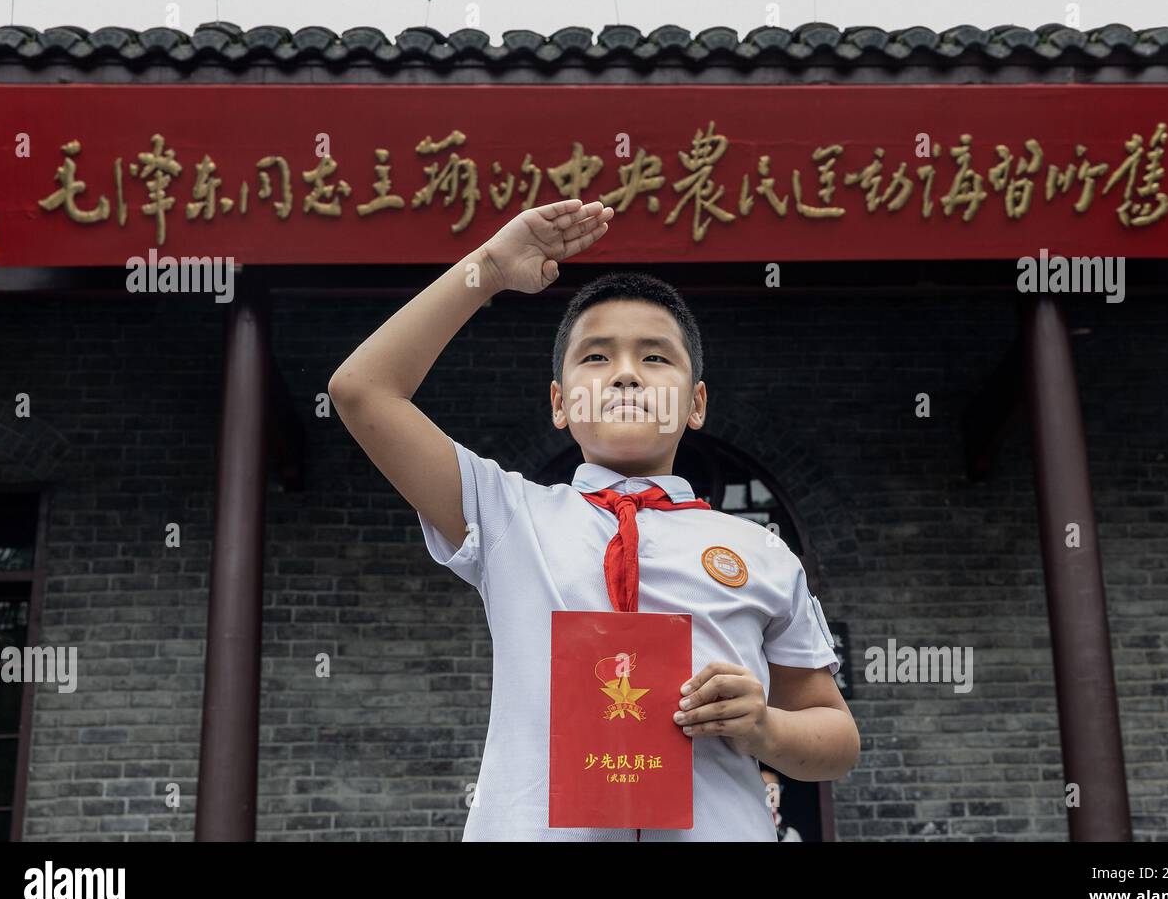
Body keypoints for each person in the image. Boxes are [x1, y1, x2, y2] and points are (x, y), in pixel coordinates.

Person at [329, 198, 861, 841]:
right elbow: (362, 390)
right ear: (560, 403)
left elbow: (835, 737)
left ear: (696, 405)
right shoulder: (506, 514)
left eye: (656, 357)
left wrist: (765, 726)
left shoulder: (762, 552)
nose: (628, 374)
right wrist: (490, 268)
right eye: (597, 357)